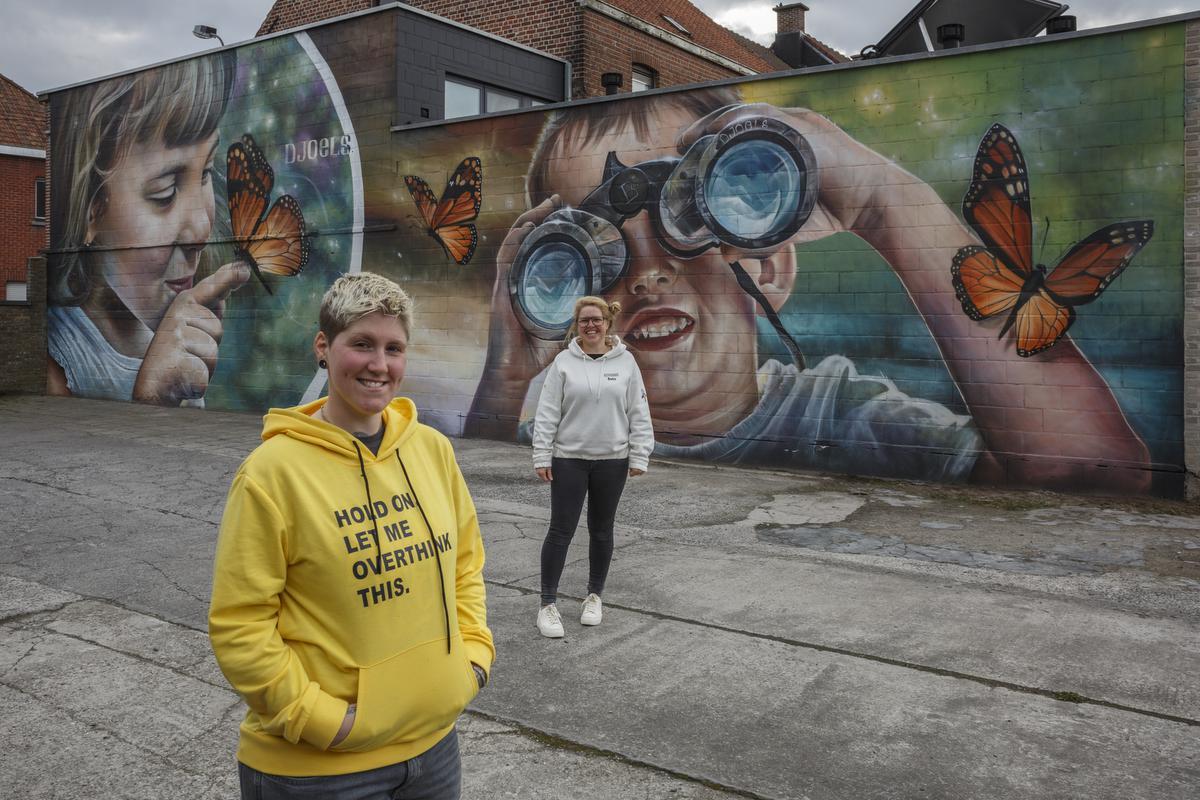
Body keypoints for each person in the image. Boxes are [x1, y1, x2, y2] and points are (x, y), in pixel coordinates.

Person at [466, 87, 1151, 494]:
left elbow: (1091, 470)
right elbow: (480, 469)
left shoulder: (842, 415)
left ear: (767, 269)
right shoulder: (567, 432)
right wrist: (508, 373)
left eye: (685, 228)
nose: (644, 277)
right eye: (599, 253)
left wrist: (883, 202)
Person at [209, 272, 494, 799]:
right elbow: (240, 623)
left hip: (433, 751)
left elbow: (465, 567)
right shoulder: (272, 472)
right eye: (361, 344)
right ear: (324, 347)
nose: (378, 364)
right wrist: (320, 719)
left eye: (393, 348)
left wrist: (472, 660)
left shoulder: (431, 450)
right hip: (320, 771)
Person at [46, 51, 249, 406]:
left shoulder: (180, 339)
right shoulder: (57, 367)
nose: (202, 227)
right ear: (91, 212)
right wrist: (152, 398)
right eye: (165, 192)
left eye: (206, 173)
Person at [530, 296, 653, 638]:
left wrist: (640, 454)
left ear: (607, 323)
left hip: (612, 461)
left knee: (602, 530)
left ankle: (594, 597)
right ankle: (547, 604)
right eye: (584, 321)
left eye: (596, 319)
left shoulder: (626, 362)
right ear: (577, 325)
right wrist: (542, 455)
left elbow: (638, 411)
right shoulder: (564, 363)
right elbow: (548, 411)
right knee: (560, 531)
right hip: (569, 459)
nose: (590, 325)